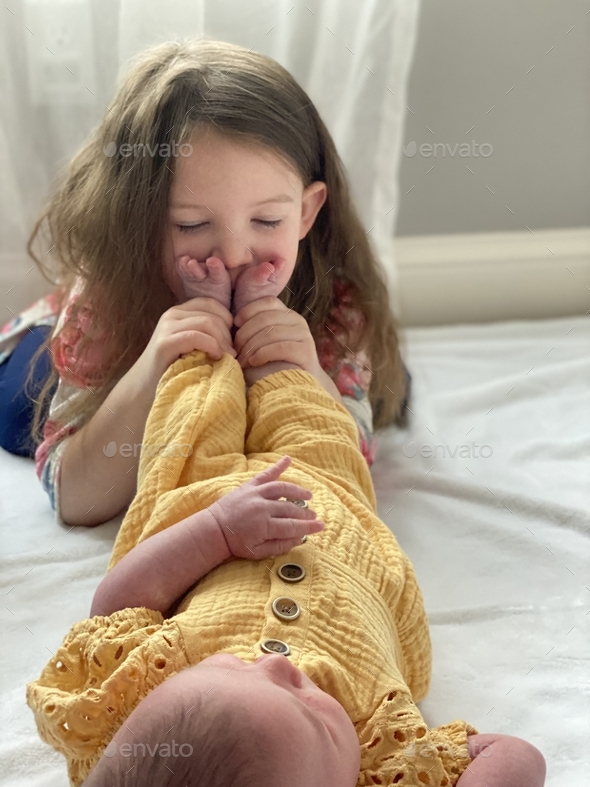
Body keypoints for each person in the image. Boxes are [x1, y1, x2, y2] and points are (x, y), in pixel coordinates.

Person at [26, 338, 546, 786]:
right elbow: (516, 757)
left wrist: (218, 530)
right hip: (339, 515)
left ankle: (200, 316)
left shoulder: (146, 698)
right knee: (297, 385)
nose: (275, 666)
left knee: (196, 390)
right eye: (313, 715)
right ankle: (269, 313)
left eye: (230, 667)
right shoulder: (386, 761)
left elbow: (114, 606)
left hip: (207, 501)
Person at [0, 35, 412, 527]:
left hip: (319, 344)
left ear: (305, 212)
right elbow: (77, 500)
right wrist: (152, 370)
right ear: (139, 222)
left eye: (266, 222)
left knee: (389, 392)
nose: (235, 255)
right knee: (17, 409)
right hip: (70, 352)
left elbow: (344, 475)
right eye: (191, 226)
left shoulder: (335, 305)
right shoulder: (107, 302)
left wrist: (309, 377)